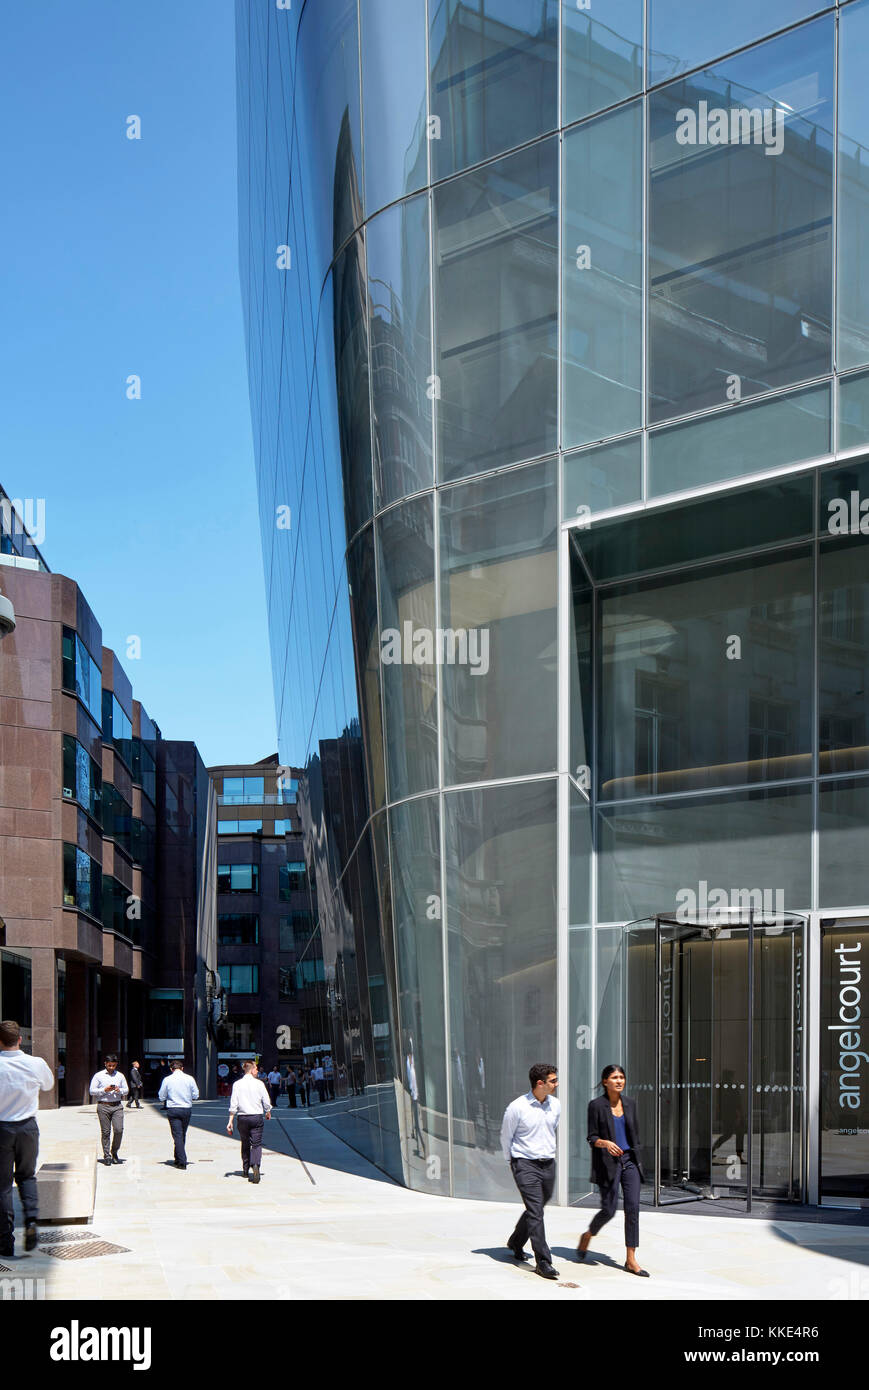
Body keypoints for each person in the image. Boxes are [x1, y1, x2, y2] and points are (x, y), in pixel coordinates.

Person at [578, 1064, 648, 1277]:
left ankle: (631, 1258)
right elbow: (591, 1137)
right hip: (608, 1162)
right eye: (614, 1077)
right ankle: (588, 1235)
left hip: (629, 1161)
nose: (619, 1081)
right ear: (605, 1082)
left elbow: (634, 1134)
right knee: (609, 1210)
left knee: (633, 1207)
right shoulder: (596, 1105)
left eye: (622, 1077)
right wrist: (605, 1143)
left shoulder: (630, 1103)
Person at [500, 1063, 561, 1280]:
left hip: (548, 1164)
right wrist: (513, 1162)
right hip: (525, 1163)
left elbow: (550, 1131)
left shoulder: (555, 1105)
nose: (556, 1084)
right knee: (536, 1211)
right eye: (553, 1081)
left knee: (537, 1207)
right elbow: (506, 1136)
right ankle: (543, 1261)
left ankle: (516, 1241)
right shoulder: (517, 1108)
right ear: (540, 1083)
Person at [0, 1020, 54, 1257]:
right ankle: (31, 1220)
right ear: (20, 1039)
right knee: (26, 1176)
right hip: (28, 1128)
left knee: (2, 1186)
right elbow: (49, 1085)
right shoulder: (35, 1063)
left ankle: (5, 1241)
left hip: (1, 1129)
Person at [227, 1060, 272, 1182]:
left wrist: (230, 1121)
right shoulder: (259, 1084)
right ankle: (256, 1164)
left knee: (245, 1143)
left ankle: (245, 1169)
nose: (257, 1071)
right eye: (256, 1069)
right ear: (252, 1070)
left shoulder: (237, 1084)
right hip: (256, 1117)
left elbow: (233, 1104)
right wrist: (268, 1111)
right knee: (256, 1144)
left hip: (242, 1117)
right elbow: (266, 1101)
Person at [157, 1059, 199, 1168]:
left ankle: (182, 1161)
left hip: (173, 1109)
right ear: (182, 1068)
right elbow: (196, 1094)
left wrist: (166, 1098)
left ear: (171, 1069)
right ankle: (178, 1157)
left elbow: (161, 1095)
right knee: (182, 1134)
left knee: (177, 1135)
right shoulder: (190, 1079)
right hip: (186, 1109)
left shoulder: (167, 1079)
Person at [89, 1055, 129, 1165]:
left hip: (117, 1106)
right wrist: (104, 1090)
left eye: (114, 1065)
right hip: (103, 1106)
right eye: (109, 1065)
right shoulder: (98, 1076)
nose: (111, 1067)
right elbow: (92, 1091)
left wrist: (119, 1090)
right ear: (105, 1064)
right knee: (105, 1132)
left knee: (119, 1130)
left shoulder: (120, 1076)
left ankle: (114, 1151)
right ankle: (107, 1155)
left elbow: (126, 1090)